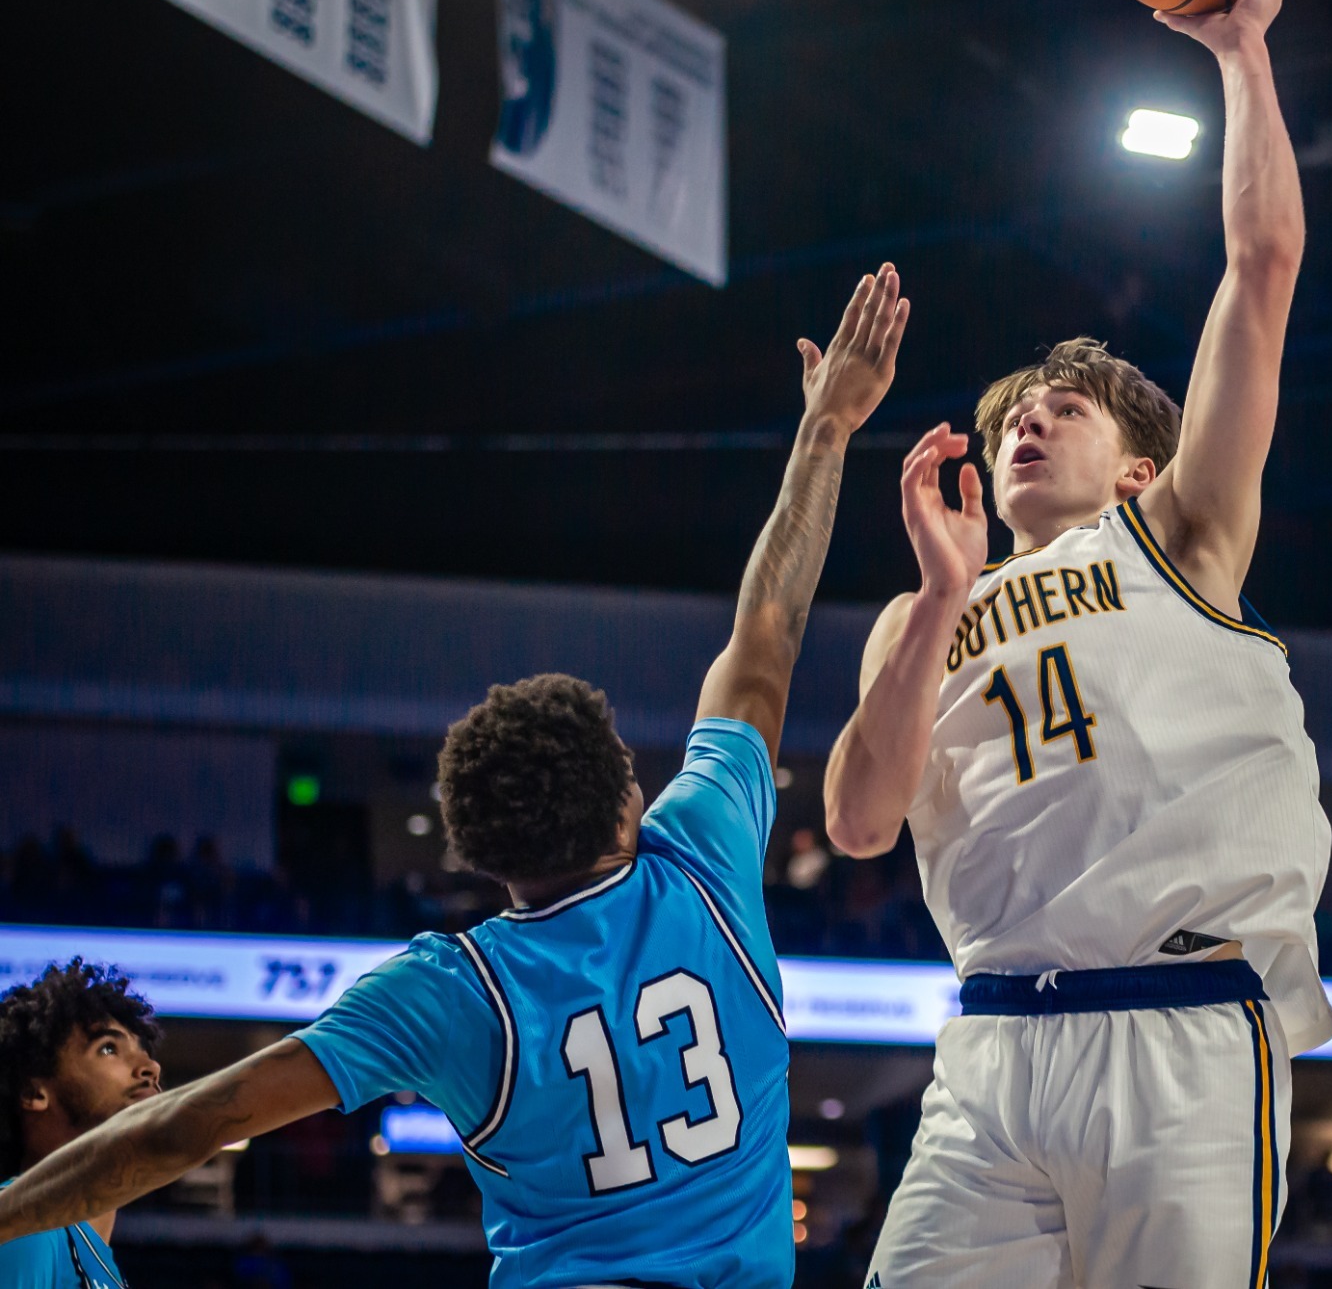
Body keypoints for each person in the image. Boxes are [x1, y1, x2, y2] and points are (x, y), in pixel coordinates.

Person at [0, 267, 912, 1289]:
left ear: (481, 854)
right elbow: (766, 633)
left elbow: (186, 1126)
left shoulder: (449, 989)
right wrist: (824, 430)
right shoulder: (701, 846)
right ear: (625, 799)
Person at [823, 0, 1332, 1284]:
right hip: (994, 1041)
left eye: (1062, 408)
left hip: (1181, 1024)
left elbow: (1263, 264)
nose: (1024, 424)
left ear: (1134, 467)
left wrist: (1240, 57)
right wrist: (940, 597)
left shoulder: (1179, 537)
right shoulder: (923, 609)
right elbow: (859, 822)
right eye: (1006, 422)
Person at [0, 959, 162, 1289]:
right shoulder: (24, 1228)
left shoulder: (97, 1262)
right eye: (108, 1048)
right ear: (34, 1092)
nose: (151, 1067)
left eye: (144, 1050)